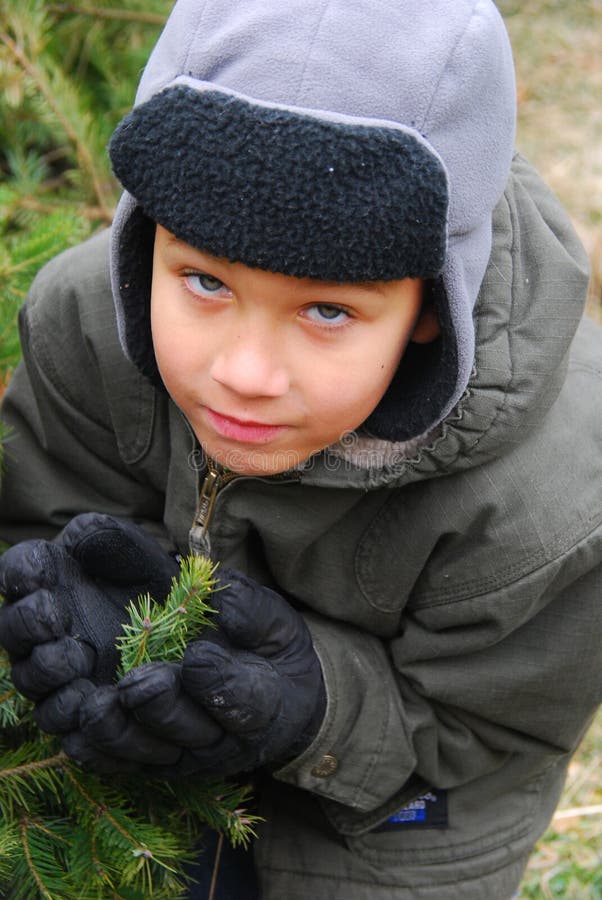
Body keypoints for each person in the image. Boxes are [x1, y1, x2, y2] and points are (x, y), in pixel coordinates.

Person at [0, 1, 600, 898]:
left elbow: (487, 734)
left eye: (327, 310)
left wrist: (312, 704)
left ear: (430, 307)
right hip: (142, 774)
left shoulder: (559, 496)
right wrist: (78, 611)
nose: (244, 374)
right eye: (204, 281)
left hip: (400, 818)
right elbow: (39, 516)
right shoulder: (84, 321)